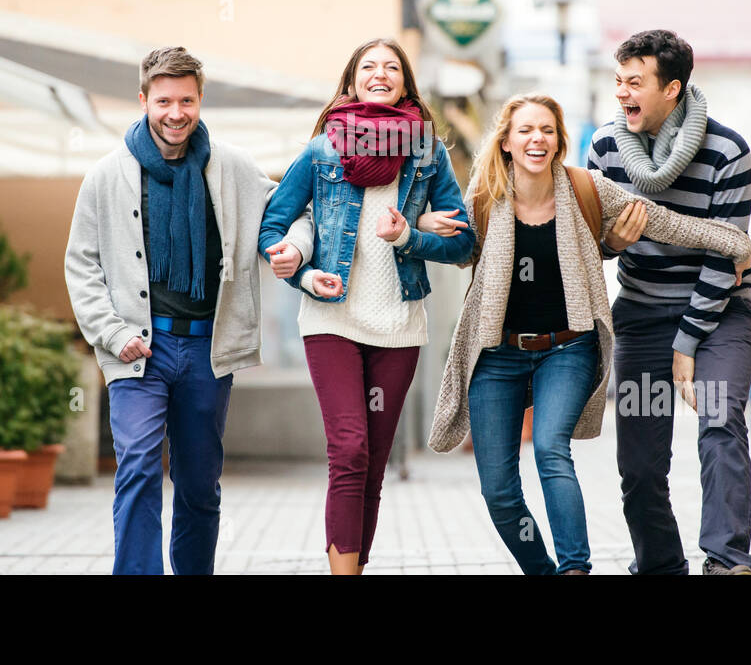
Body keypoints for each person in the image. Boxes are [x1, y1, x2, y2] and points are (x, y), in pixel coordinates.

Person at [427, 94, 751, 575]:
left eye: (547, 130)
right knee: (498, 489)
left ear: (559, 140)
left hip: (567, 347)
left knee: (551, 449)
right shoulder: (483, 194)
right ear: (507, 142)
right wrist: (416, 229)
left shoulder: (587, 189)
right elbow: (454, 248)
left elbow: (664, 222)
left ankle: (575, 568)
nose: (537, 138)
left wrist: (734, 241)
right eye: (525, 130)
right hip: (497, 354)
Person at [64, 47, 314, 575]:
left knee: (200, 481)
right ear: (143, 100)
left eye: (186, 100)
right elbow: (82, 266)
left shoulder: (234, 168)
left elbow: (294, 214)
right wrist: (111, 333)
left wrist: (296, 246)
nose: (175, 112)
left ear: (200, 100)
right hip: (137, 349)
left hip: (207, 348)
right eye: (163, 101)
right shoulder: (107, 177)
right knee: (136, 467)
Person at [258, 37, 474, 575]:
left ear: (405, 83)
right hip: (331, 322)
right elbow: (273, 225)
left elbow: (463, 243)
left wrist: (409, 237)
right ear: (351, 84)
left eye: (392, 68)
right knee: (350, 451)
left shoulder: (427, 152)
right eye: (369, 67)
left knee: (373, 464)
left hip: (399, 325)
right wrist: (299, 270)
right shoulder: (322, 150)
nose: (380, 74)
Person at [588, 28, 751, 575]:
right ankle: (660, 566)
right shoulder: (605, 150)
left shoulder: (728, 153)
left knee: (719, 420)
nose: (621, 93)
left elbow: (725, 254)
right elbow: (590, 247)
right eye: (617, 81)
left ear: (673, 89)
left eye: (634, 82)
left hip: (720, 311)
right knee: (638, 464)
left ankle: (727, 561)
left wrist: (686, 345)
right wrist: (613, 241)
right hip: (640, 312)